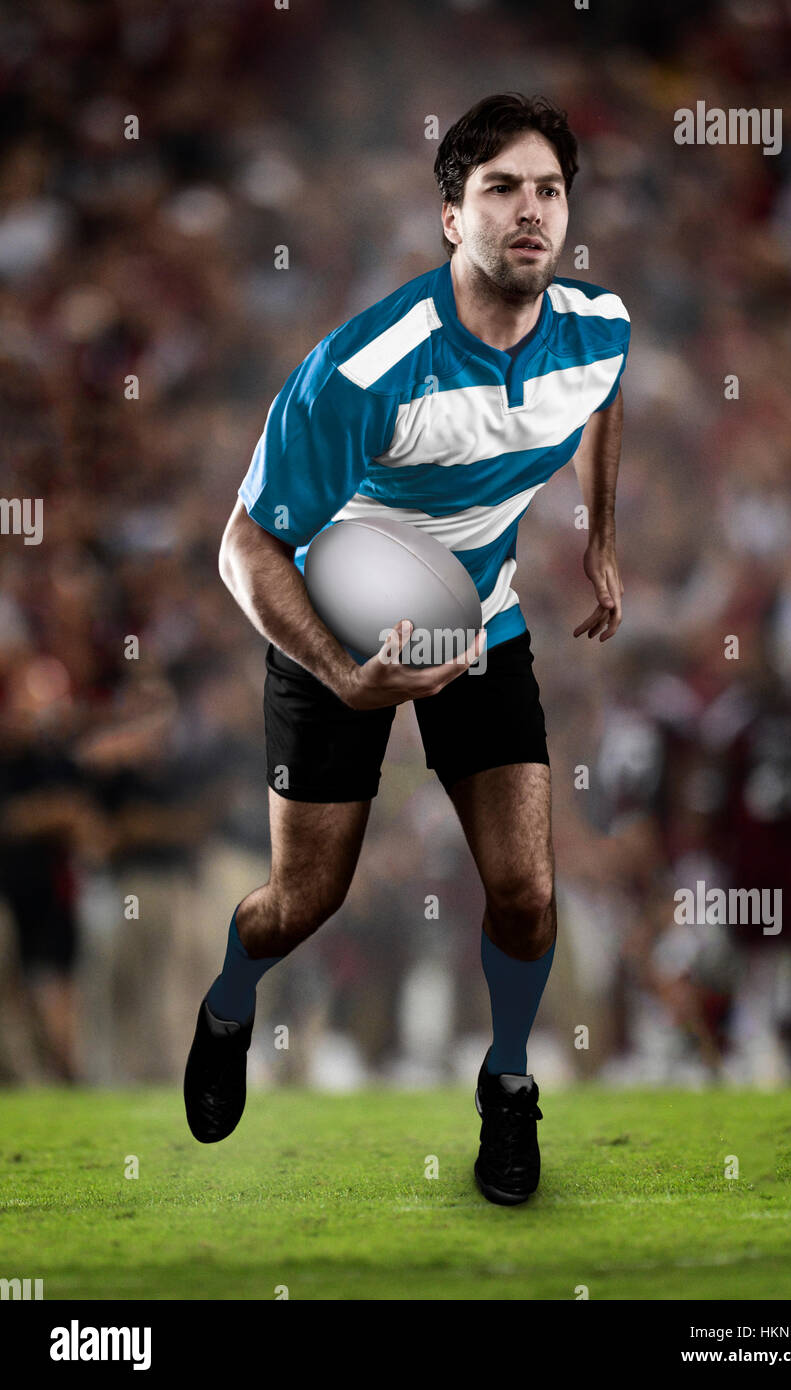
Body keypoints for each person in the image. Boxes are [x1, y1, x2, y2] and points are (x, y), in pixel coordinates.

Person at [184, 92, 629, 1206]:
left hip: (481, 619)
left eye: (548, 190)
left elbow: (600, 402)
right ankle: (231, 997)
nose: (529, 211)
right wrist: (344, 674)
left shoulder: (600, 328)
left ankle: (509, 1083)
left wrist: (600, 543)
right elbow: (243, 546)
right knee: (304, 899)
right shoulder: (363, 368)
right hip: (336, 625)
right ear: (448, 215)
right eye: (499, 189)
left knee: (525, 890)